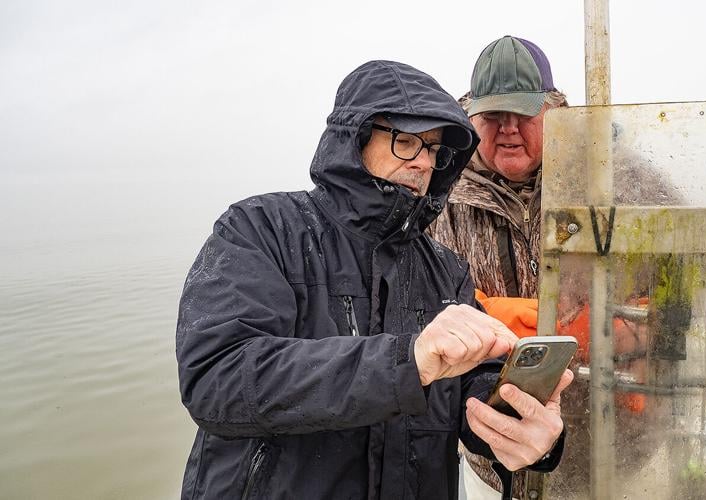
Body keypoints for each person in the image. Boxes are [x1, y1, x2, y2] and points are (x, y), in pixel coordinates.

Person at [175, 60, 571, 500]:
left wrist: (524, 425)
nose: (423, 162)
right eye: (406, 141)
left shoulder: (447, 271)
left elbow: (474, 390)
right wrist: (408, 361)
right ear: (355, 137)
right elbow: (216, 378)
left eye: (434, 149)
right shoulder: (260, 229)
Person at [429, 36, 685, 499]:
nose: (508, 129)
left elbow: (690, 269)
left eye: (523, 114)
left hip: (618, 453)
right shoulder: (436, 193)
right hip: (494, 456)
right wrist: (479, 316)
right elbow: (412, 295)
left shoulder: (618, 176)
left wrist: (631, 322)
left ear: (553, 109)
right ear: (471, 117)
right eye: (493, 116)